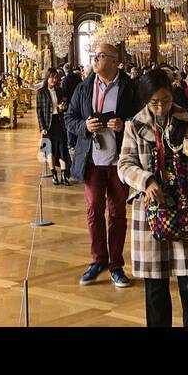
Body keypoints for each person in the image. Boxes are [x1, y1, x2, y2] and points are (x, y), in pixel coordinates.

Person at [118, 68, 188, 327]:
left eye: (166, 100)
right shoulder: (134, 126)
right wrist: (146, 180)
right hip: (152, 214)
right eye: (154, 103)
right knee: (155, 289)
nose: (161, 107)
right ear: (145, 101)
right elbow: (124, 165)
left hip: (187, 212)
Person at [66, 40, 140, 287]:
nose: (94, 59)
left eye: (100, 55)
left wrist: (124, 125)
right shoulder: (84, 88)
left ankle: (116, 265)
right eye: (94, 55)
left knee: (118, 213)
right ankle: (98, 260)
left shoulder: (130, 87)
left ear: (113, 60)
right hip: (92, 160)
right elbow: (70, 118)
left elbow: (140, 119)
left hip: (120, 160)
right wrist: (84, 127)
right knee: (93, 210)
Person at [37, 69, 71, 185]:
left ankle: (64, 175)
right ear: (47, 78)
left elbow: (65, 106)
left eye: (56, 77)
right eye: (52, 77)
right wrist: (42, 127)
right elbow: (39, 111)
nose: (54, 80)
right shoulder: (41, 92)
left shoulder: (60, 91)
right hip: (47, 123)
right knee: (49, 150)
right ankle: (54, 175)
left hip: (59, 122)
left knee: (62, 148)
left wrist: (63, 107)